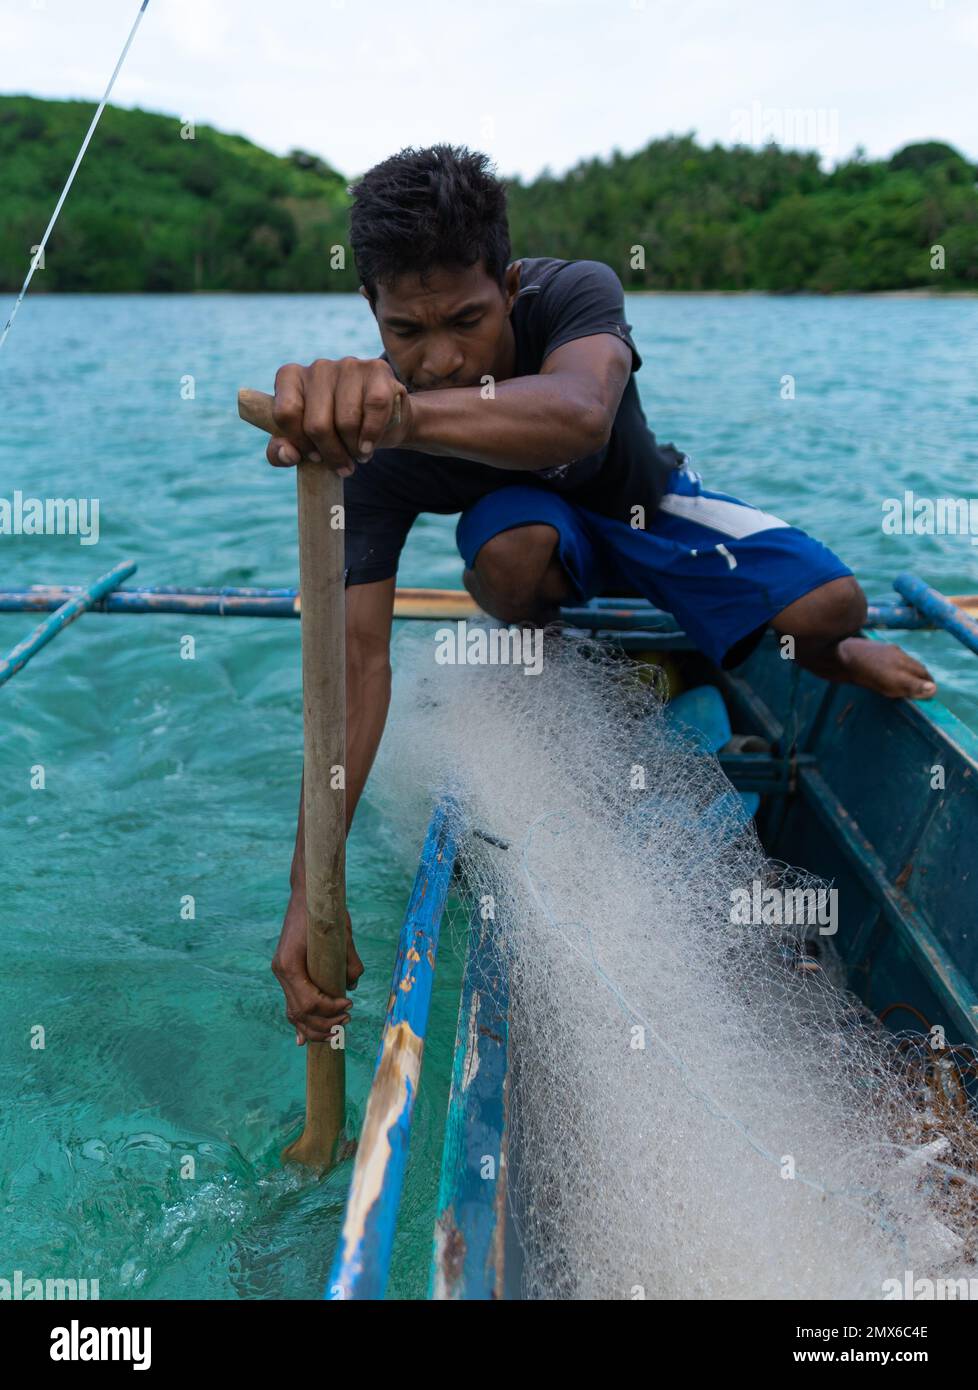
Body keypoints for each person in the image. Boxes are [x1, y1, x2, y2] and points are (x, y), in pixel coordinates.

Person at [266, 144, 935, 1044]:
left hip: (642, 502)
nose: (440, 359)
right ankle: (542, 630)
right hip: (537, 542)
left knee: (831, 610)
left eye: (466, 319)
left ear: (509, 284)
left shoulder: (573, 291)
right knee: (511, 541)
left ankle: (834, 654)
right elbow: (354, 663)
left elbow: (582, 408)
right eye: (406, 333)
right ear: (369, 309)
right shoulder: (373, 451)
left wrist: (403, 419)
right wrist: (313, 889)